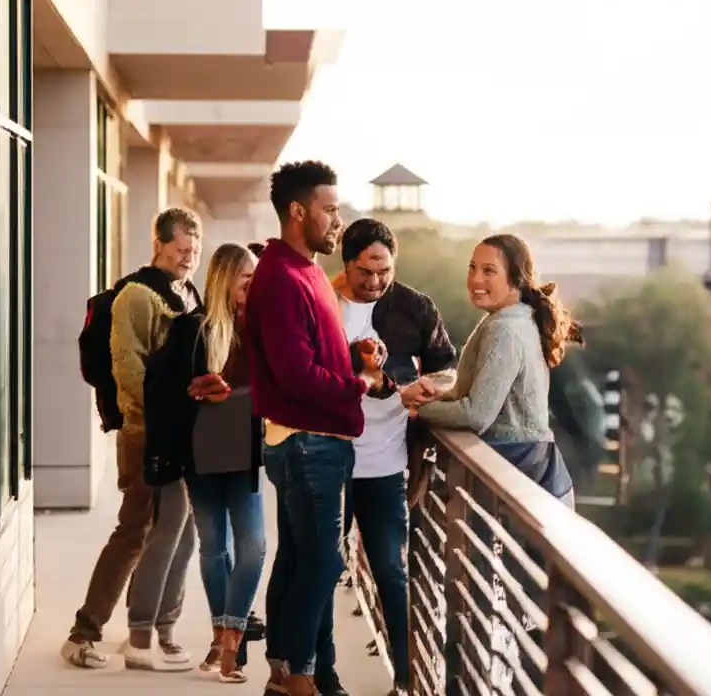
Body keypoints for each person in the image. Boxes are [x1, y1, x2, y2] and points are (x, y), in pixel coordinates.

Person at [245, 161, 391, 696]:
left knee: (299, 557)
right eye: (330, 210)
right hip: (308, 443)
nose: (338, 220)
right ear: (297, 212)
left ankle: (285, 669)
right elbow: (295, 374)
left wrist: (353, 353)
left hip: (311, 439)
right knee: (324, 559)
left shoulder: (303, 269)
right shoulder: (281, 278)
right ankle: (301, 675)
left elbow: (312, 353)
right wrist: (361, 382)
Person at [62, 207, 202, 671]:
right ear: (158, 244)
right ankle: (84, 633)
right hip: (145, 435)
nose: (189, 257)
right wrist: (156, 429)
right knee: (135, 532)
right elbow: (129, 372)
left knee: (173, 533)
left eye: (194, 250)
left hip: (176, 436)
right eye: (181, 248)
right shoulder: (137, 297)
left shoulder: (186, 293)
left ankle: (150, 631)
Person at [330, 219, 455, 696]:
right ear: (348, 262)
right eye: (366, 271)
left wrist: (419, 393)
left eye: (385, 270)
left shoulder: (415, 307)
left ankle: (405, 681)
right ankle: (319, 674)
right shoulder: (323, 302)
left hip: (384, 463)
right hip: (327, 458)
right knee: (322, 568)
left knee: (391, 571)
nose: (376, 281)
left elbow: (446, 369)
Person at [154, 242, 266, 684]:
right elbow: (163, 392)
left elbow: (276, 388)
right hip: (201, 455)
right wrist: (193, 391)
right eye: (245, 278)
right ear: (224, 281)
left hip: (245, 454)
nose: (253, 286)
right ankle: (225, 648)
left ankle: (230, 637)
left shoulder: (262, 330)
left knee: (254, 546)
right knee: (214, 546)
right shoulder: (190, 330)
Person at [414, 234, 583, 506]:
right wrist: (436, 394)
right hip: (529, 472)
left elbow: (476, 415)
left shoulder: (505, 329)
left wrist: (417, 410)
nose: (475, 279)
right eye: (472, 268)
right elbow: (479, 387)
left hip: (529, 480)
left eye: (488, 271)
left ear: (516, 278)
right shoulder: (509, 317)